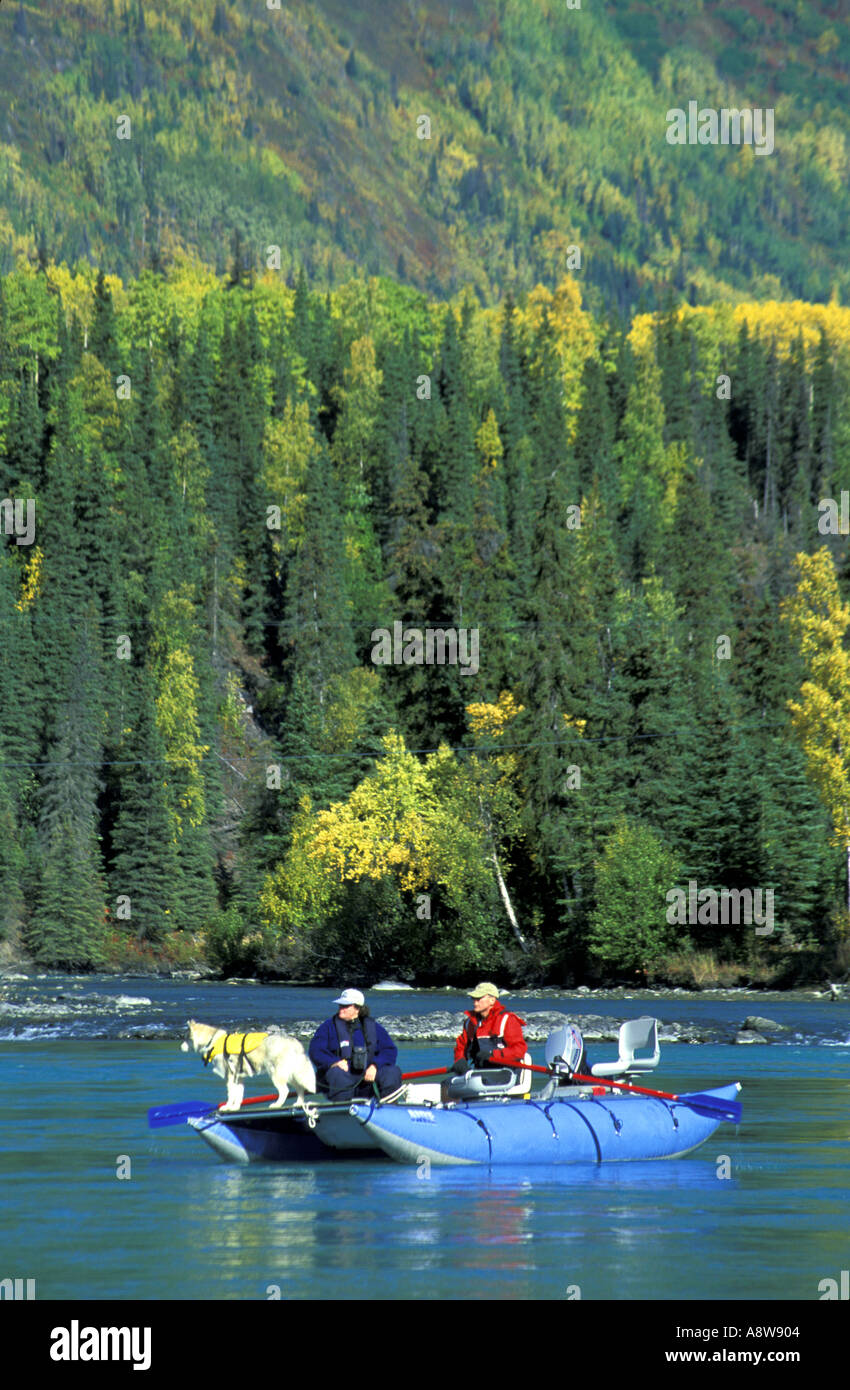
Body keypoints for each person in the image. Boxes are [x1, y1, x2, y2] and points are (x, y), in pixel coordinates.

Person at [309, 988, 403, 1102]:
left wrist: (375, 1066)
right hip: (340, 1081)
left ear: (357, 1008)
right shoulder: (327, 1027)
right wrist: (333, 1062)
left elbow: (389, 1050)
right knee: (337, 1073)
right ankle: (342, 1109)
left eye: (346, 1006)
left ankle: (388, 1107)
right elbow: (316, 1051)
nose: (341, 1009)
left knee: (392, 1072)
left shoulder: (374, 1027)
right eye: (340, 1005)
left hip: (368, 1079)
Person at [452, 982, 529, 1074]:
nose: (475, 1002)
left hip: (507, 1073)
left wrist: (492, 1055)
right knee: (447, 1082)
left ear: (492, 1000)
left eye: (479, 998)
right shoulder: (470, 1023)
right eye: (474, 998)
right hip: (481, 1073)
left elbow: (519, 1050)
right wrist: (459, 1060)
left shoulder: (507, 1020)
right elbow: (461, 1047)